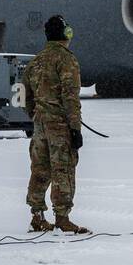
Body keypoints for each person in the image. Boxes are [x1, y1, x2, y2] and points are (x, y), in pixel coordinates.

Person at [23, 15, 90, 234]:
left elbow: (25, 95)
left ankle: (37, 216)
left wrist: (36, 114)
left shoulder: (37, 60)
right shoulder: (66, 59)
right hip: (59, 126)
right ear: (64, 34)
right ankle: (62, 218)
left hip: (40, 124)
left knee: (40, 169)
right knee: (63, 169)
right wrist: (74, 127)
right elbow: (70, 96)